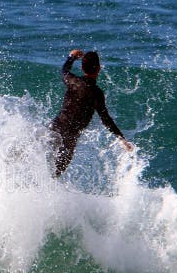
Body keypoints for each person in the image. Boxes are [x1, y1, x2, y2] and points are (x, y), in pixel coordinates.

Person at [50, 49, 133, 177]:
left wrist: (71, 57)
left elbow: (64, 71)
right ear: (99, 68)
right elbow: (106, 119)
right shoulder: (97, 94)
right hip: (70, 138)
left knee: (38, 153)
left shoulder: (73, 81)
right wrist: (121, 138)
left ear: (82, 68)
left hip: (55, 128)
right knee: (55, 174)